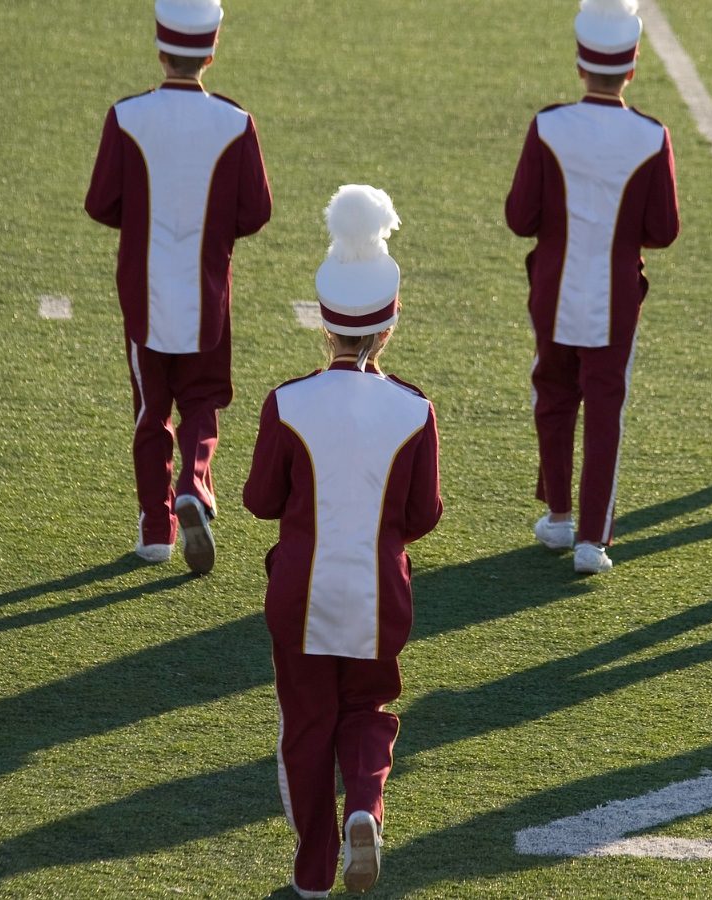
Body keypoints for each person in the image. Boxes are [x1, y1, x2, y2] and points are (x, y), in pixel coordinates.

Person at [244, 185, 442, 897]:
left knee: (305, 726)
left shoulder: (287, 401)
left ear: (323, 325)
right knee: (368, 711)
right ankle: (364, 803)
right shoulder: (415, 408)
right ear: (388, 328)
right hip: (377, 592)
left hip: (298, 592)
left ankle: (312, 876)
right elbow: (423, 515)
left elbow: (260, 500)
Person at [85, 0, 272, 574]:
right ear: (211, 52)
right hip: (208, 291)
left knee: (151, 412)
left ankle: (155, 528)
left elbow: (101, 204)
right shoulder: (236, 122)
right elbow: (256, 211)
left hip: (143, 294)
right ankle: (193, 484)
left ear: (161, 48)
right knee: (202, 401)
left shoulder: (127, 114)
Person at [506, 0, 680, 575]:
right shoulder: (652, 136)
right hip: (615, 296)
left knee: (553, 395)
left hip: (553, 286)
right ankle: (593, 539)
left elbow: (519, 216)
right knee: (605, 407)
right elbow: (663, 230)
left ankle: (558, 516)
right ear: (632, 68)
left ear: (581, 65)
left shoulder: (548, 125)